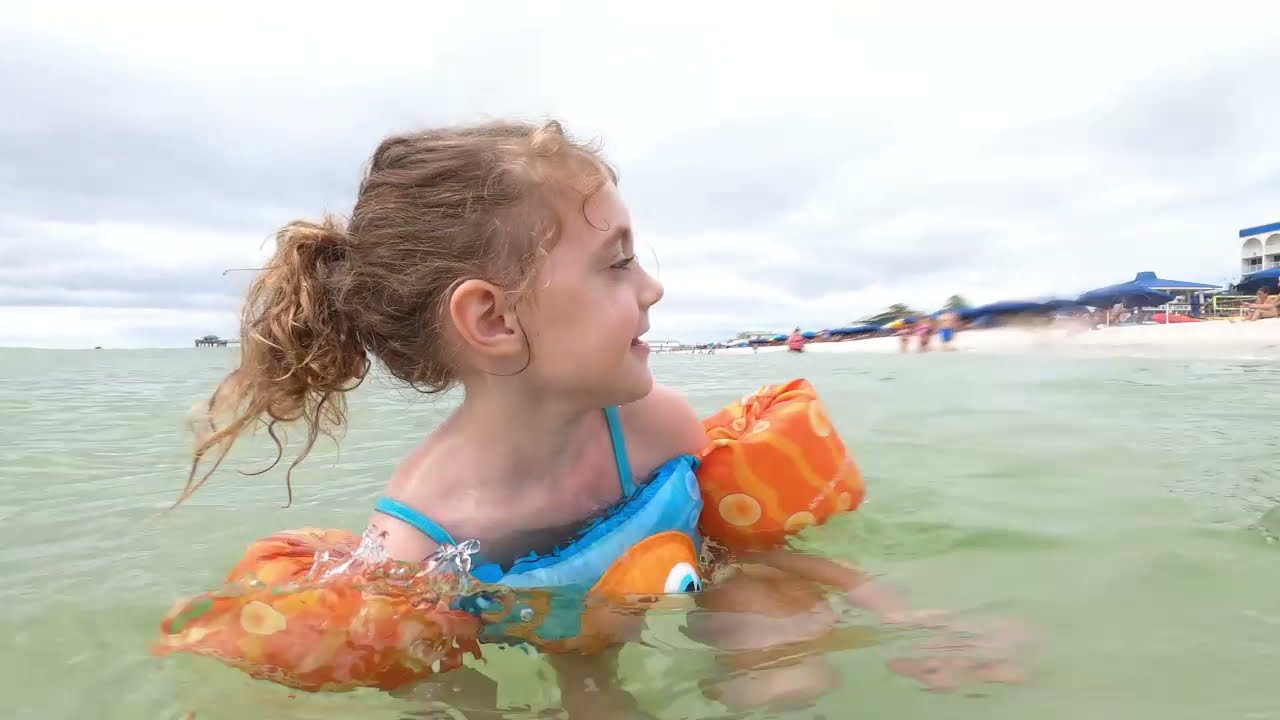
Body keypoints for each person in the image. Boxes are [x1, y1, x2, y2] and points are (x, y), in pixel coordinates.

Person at [175, 120, 1012, 716]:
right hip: (566, 651)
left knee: (789, 668)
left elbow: (750, 548)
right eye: (616, 264)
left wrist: (907, 616)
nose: (652, 287)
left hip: (682, 583)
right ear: (494, 321)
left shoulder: (653, 425)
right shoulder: (421, 537)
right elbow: (448, 686)